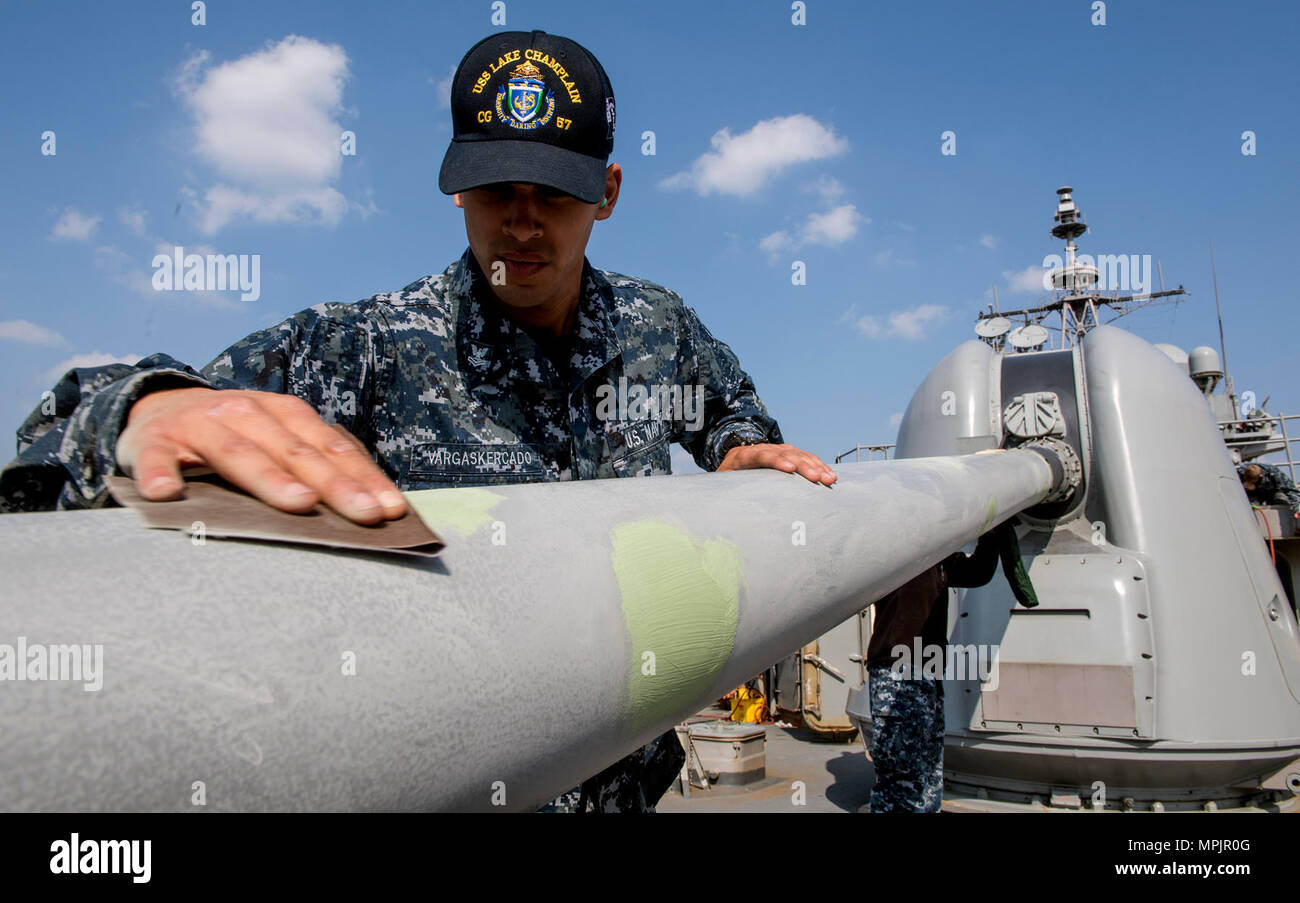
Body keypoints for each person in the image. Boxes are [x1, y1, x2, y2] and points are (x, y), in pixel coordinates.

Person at [0, 30, 836, 812]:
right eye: (495, 191)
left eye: (552, 193)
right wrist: (150, 408)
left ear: (607, 194)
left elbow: (732, 412)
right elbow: (87, 424)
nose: (521, 221)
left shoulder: (659, 327)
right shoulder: (372, 346)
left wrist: (735, 450)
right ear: (458, 188)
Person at [864, 523, 1021, 813]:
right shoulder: (892, 553)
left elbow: (976, 573)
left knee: (928, 774)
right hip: (897, 675)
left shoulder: (937, 558)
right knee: (902, 779)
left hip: (927, 674)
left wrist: (992, 534)